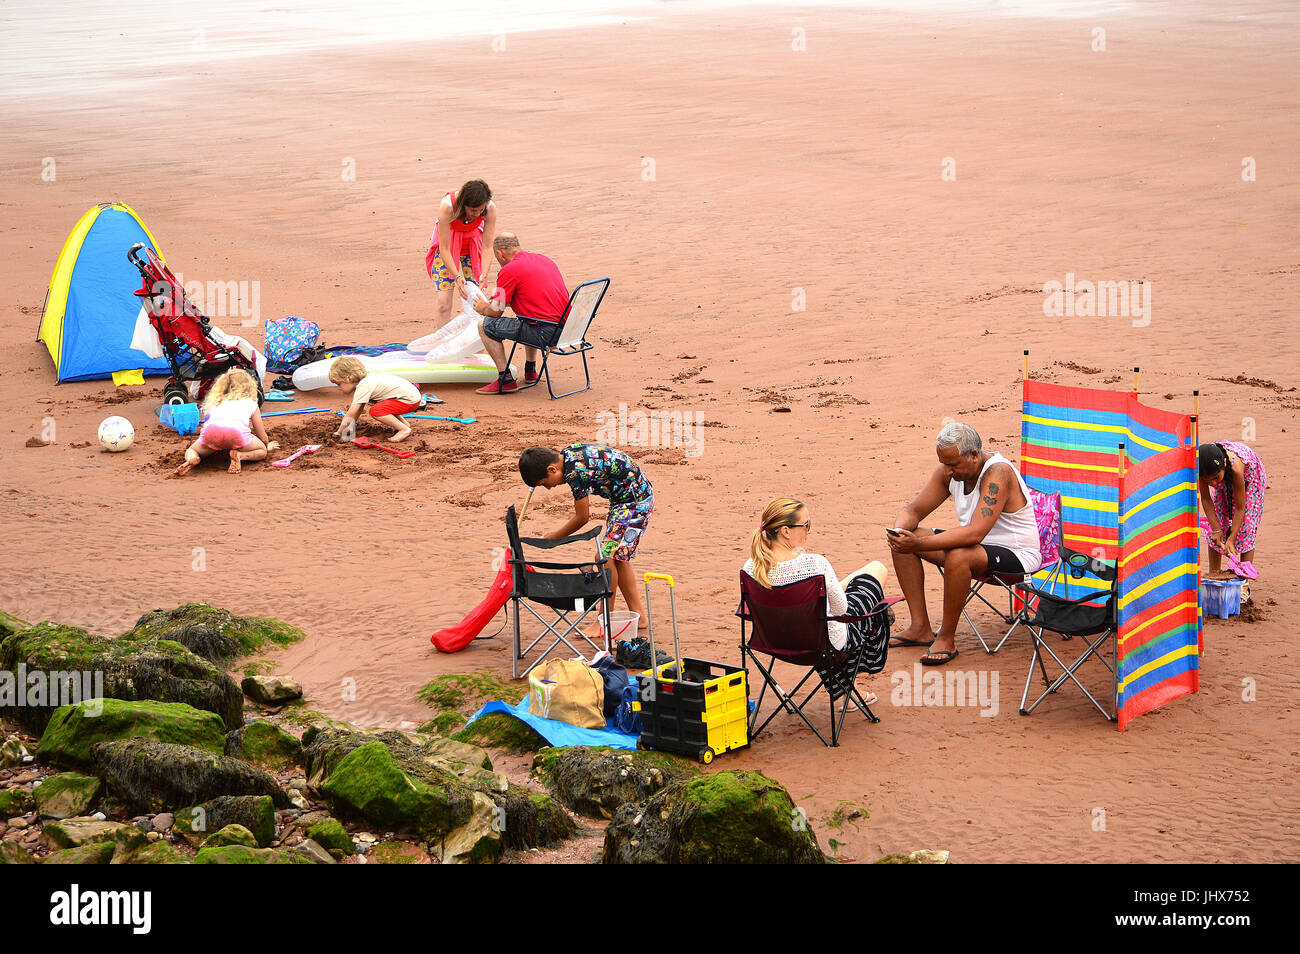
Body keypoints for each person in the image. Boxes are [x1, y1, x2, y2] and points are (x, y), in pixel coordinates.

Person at [887, 422, 1042, 666]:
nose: (947, 471)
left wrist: (919, 543)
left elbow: (974, 534)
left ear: (973, 455)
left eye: (953, 465)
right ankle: (920, 628)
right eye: (944, 464)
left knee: (958, 554)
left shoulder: (997, 473)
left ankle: (947, 638)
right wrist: (900, 530)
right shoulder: (948, 471)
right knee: (903, 540)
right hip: (975, 549)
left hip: (1017, 556)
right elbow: (914, 510)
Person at [743, 498, 891, 704]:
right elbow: (842, 609)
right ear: (786, 531)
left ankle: (851, 693)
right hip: (823, 645)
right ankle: (852, 692)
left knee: (820, 617)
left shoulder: (750, 568)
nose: (808, 531)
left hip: (776, 643)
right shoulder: (814, 564)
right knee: (876, 573)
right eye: (806, 525)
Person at [518, 444, 653, 630]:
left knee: (604, 557)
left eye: (544, 483)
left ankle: (604, 621)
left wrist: (554, 538)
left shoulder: (575, 474)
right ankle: (640, 617)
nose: (548, 488)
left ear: (552, 469)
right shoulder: (567, 454)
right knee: (617, 558)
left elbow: (582, 517)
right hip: (624, 500)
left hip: (635, 502)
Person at [472, 232, 570, 394]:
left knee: (485, 325)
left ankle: (506, 379)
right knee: (525, 317)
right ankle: (530, 369)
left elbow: (495, 313)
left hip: (547, 333)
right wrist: (501, 301)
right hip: (569, 330)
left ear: (499, 254)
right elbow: (532, 296)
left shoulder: (509, 270)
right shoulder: (544, 259)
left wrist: (483, 307)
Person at [173, 369, 277, 476]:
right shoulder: (251, 403)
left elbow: (206, 425)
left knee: (192, 450)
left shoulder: (213, 402)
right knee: (261, 451)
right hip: (236, 434)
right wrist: (266, 445)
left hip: (212, 433)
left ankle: (193, 458)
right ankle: (240, 455)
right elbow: (261, 434)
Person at [425, 179, 497, 327]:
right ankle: (443, 345)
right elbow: (444, 248)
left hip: (472, 247)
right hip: (449, 248)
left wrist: (484, 272)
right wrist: (457, 276)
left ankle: (479, 345)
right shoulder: (448, 206)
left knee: (477, 300)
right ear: (463, 204)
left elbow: (488, 245)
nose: (476, 215)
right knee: (443, 304)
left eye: (479, 211)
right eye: (472, 210)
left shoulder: (489, 208)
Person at [1198, 441, 1266, 576]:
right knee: (1216, 525)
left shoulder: (1236, 469)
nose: (1212, 484)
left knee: (1246, 527)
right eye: (1208, 481)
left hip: (1250, 479)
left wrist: (1231, 538)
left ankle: (1244, 584)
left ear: (1223, 464)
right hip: (1223, 475)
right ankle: (1214, 575)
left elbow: (1241, 508)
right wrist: (1216, 529)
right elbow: (1206, 499)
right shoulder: (1202, 468)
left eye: (1215, 478)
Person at [327, 356, 421, 443]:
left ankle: (404, 429)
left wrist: (339, 432)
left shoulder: (363, 386)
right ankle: (404, 425)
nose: (338, 388)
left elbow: (351, 413)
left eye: (339, 384)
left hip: (408, 401)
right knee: (381, 405)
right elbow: (357, 410)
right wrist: (349, 428)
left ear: (348, 378)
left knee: (376, 410)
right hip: (411, 398)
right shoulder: (367, 380)